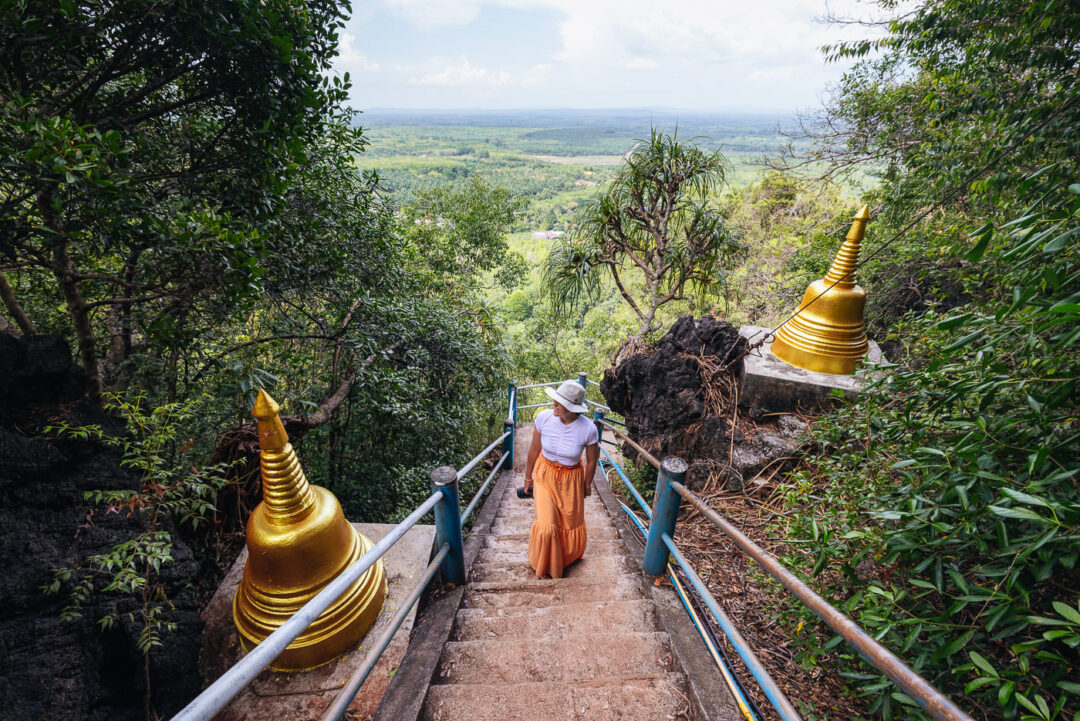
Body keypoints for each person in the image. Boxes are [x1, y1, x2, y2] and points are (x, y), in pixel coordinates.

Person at [523, 379, 600, 578]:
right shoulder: (544, 418)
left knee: (568, 523)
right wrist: (527, 477)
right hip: (544, 475)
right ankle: (546, 564)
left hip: (570, 480)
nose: (554, 405)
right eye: (555, 400)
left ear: (572, 408)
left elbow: (591, 461)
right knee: (547, 527)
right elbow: (534, 448)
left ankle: (565, 558)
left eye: (560, 402)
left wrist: (587, 485)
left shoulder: (588, 429)